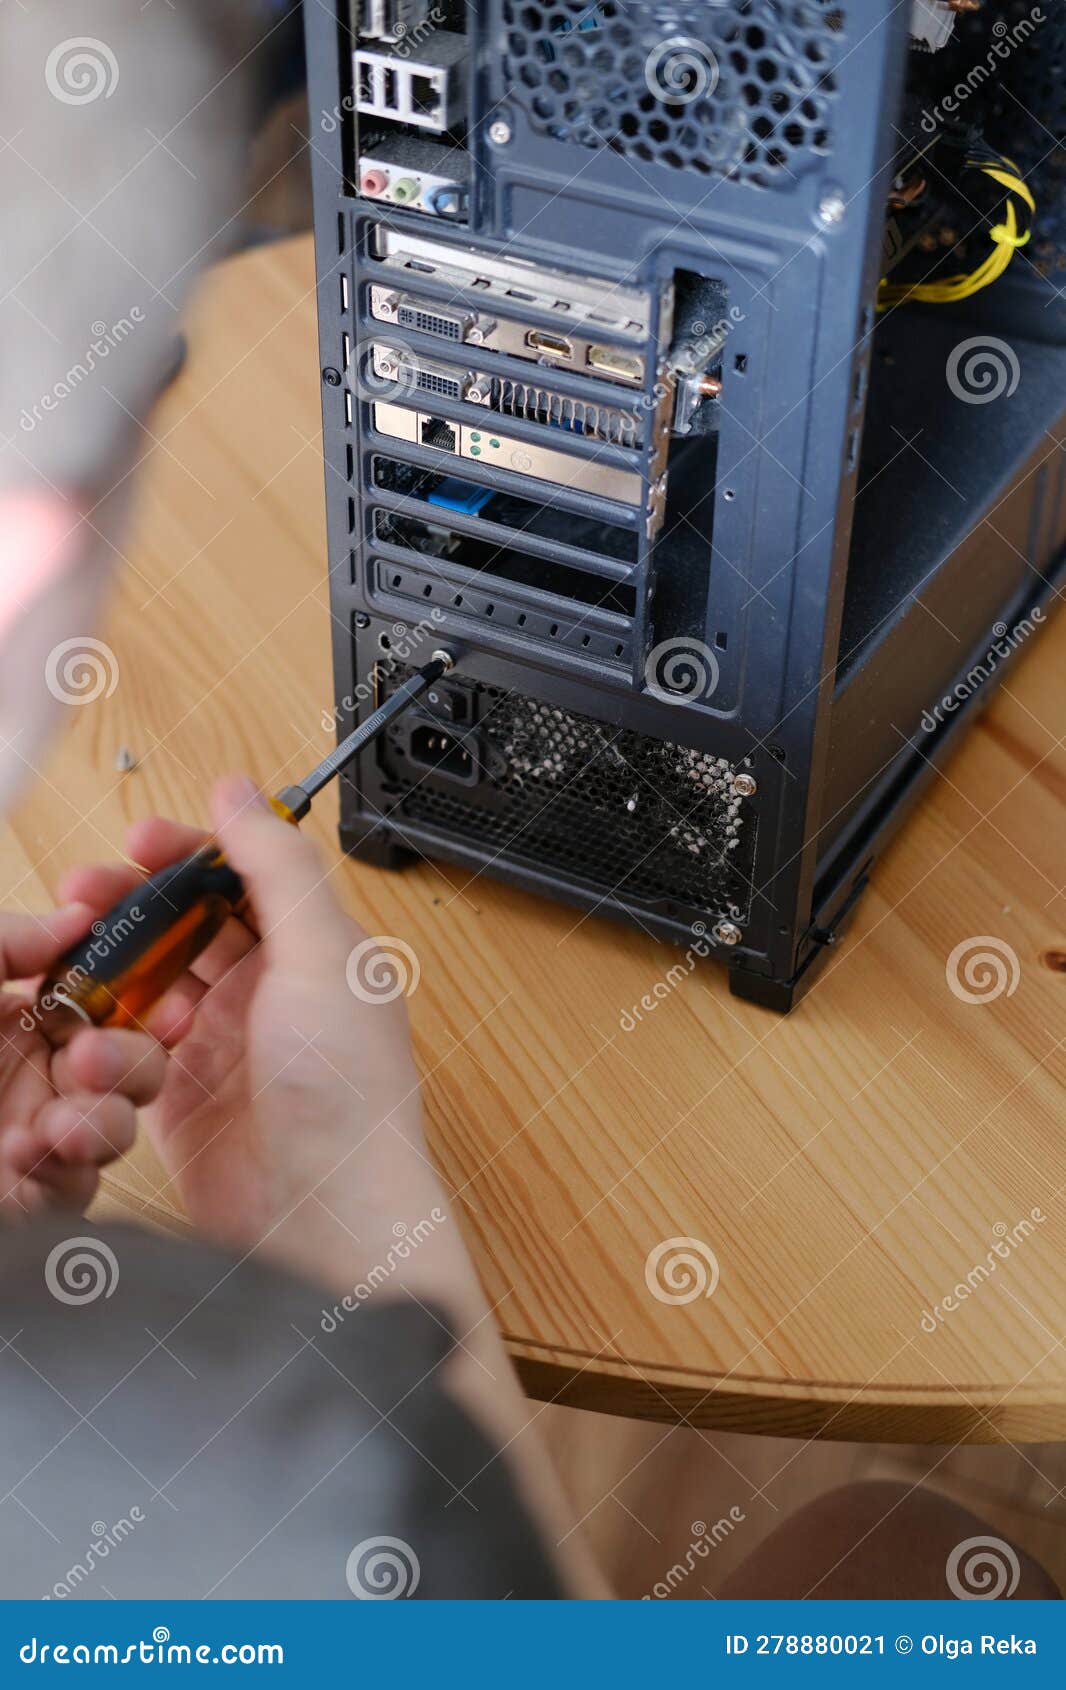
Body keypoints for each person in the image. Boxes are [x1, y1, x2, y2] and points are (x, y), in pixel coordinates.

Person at [0, 0, 1057, 1607]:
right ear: (38, 538)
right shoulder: (274, 1491)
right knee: (912, 1558)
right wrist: (359, 1269)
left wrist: (340, 1196)